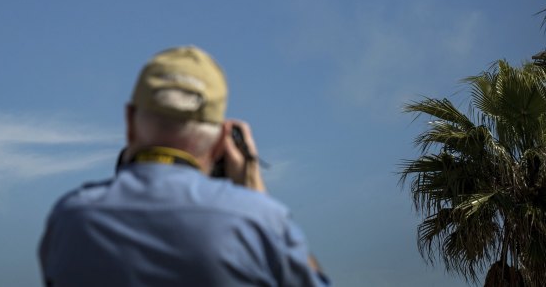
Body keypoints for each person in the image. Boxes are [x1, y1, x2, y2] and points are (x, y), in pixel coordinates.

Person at [39, 46, 329, 287]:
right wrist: (257, 195)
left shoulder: (69, 218)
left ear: (129, 122)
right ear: (222, 140)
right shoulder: (260, 222)